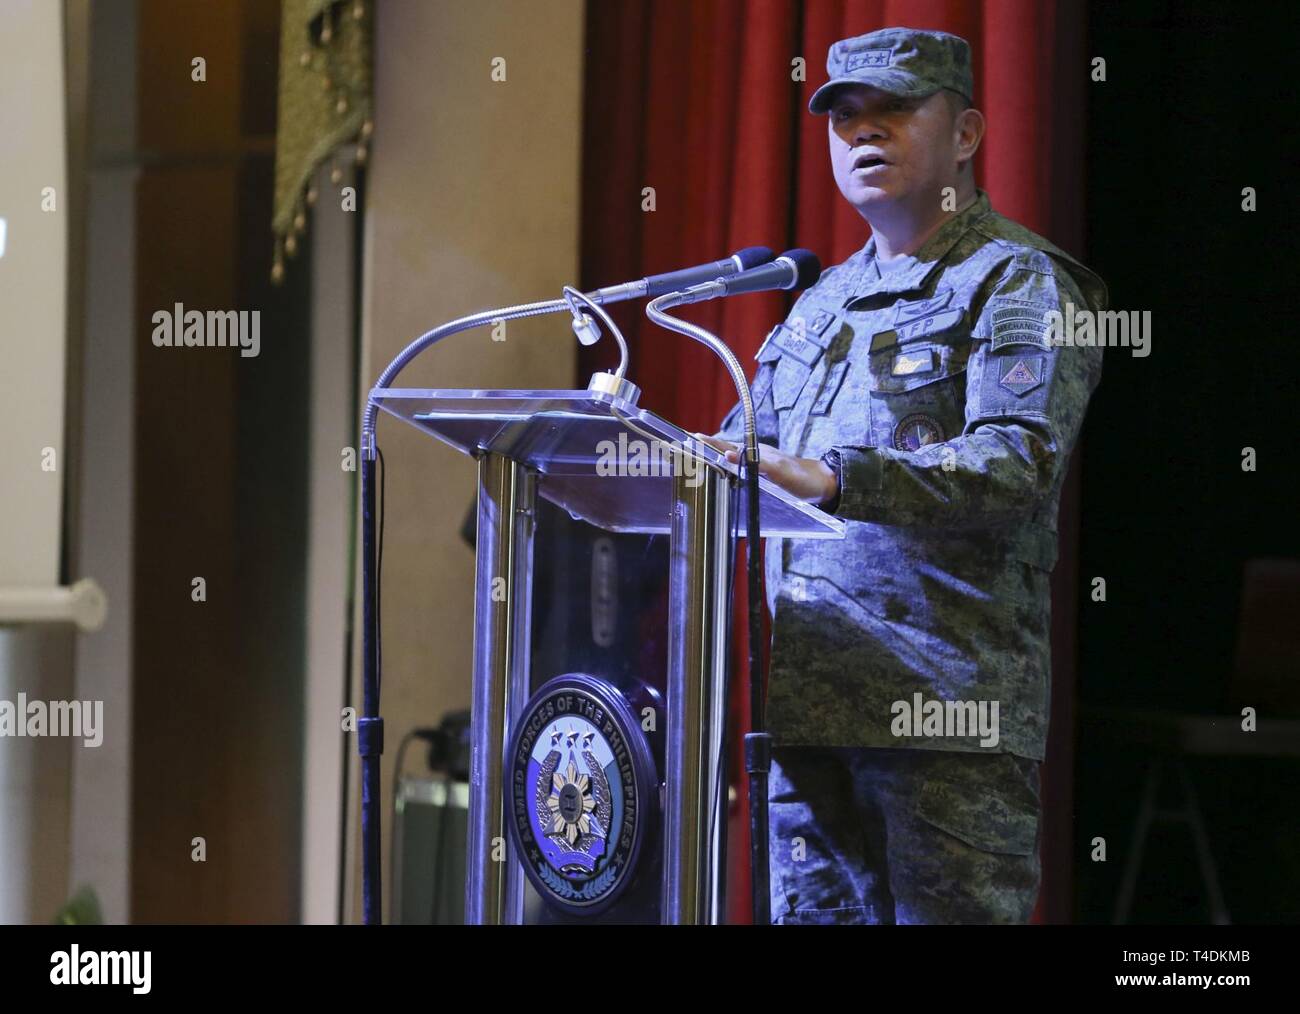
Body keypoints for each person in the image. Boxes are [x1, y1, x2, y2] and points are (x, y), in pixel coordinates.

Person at [698, 26, 1108, 924]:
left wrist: (836, 478)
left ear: (965, 134)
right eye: (846, 119)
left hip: (945, 716)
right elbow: (741, 451)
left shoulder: (1022, 285)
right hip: (806, 709)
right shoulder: (819, 302)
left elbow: (1017, 465)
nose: (864, 134)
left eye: (892, 110)